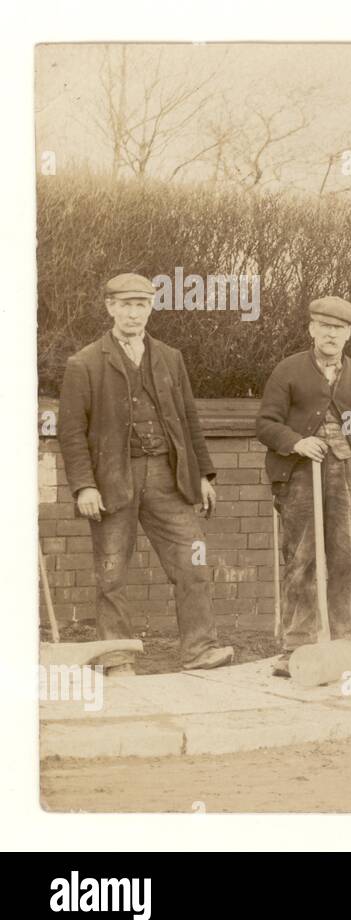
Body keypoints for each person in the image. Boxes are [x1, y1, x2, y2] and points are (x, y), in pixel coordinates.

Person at [58, 272, 234, 675]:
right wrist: (84, 485)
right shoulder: (83, 363)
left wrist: (204, 474)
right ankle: (117, 658)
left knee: (194, 560)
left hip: (169, 479)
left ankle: (199, 649)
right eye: (125, 304)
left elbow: (189, 419)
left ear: (151, 308)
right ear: (110, 308)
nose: (134, 313)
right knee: (112, 572)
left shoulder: (170, 357)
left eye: (141, 304)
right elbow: (70, 432)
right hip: (111, 480)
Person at [257, 296, 351, 677]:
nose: (331, 334)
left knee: (346, 561)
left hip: (349, 479)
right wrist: (296, 441)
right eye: (324, 326)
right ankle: (295, 647)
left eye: (340, 328)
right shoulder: (288, 371)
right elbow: (265, 423)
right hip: (300, 477)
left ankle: (347, 647)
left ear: (348, 334)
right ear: (312, 329)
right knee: (301, 559)